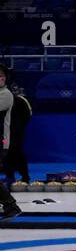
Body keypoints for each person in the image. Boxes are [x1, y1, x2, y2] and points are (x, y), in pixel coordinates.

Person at [1, 76, 31, 207]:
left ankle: (25, 177)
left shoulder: (20, 100)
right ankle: (10, 177)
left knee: (18, 153)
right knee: (6, 154)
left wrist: (19, 127)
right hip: (5, 132)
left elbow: (27, 114)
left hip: (16, 132)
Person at [0, 68, 18, 221]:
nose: (1, 78)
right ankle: (10, 205)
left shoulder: (6, 95)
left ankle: (11, 206)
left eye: (2, 75)